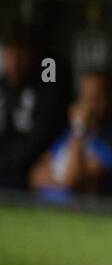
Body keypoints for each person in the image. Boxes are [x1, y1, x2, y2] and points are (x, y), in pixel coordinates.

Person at [28, 70, 112, 202]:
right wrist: (58, 184)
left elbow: (72, 182)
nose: (88, 106)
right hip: (47, 208)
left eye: (96, 99)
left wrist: (79, 130)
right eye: (85, 98)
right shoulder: (68, 135)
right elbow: (35, 176)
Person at [0, 22, 66, 190]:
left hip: (29, 169)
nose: (15, 62)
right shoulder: (4, 84)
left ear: (35, 53)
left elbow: (42, 137)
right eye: (9, 52)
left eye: (21, 53)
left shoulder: (48, 74)